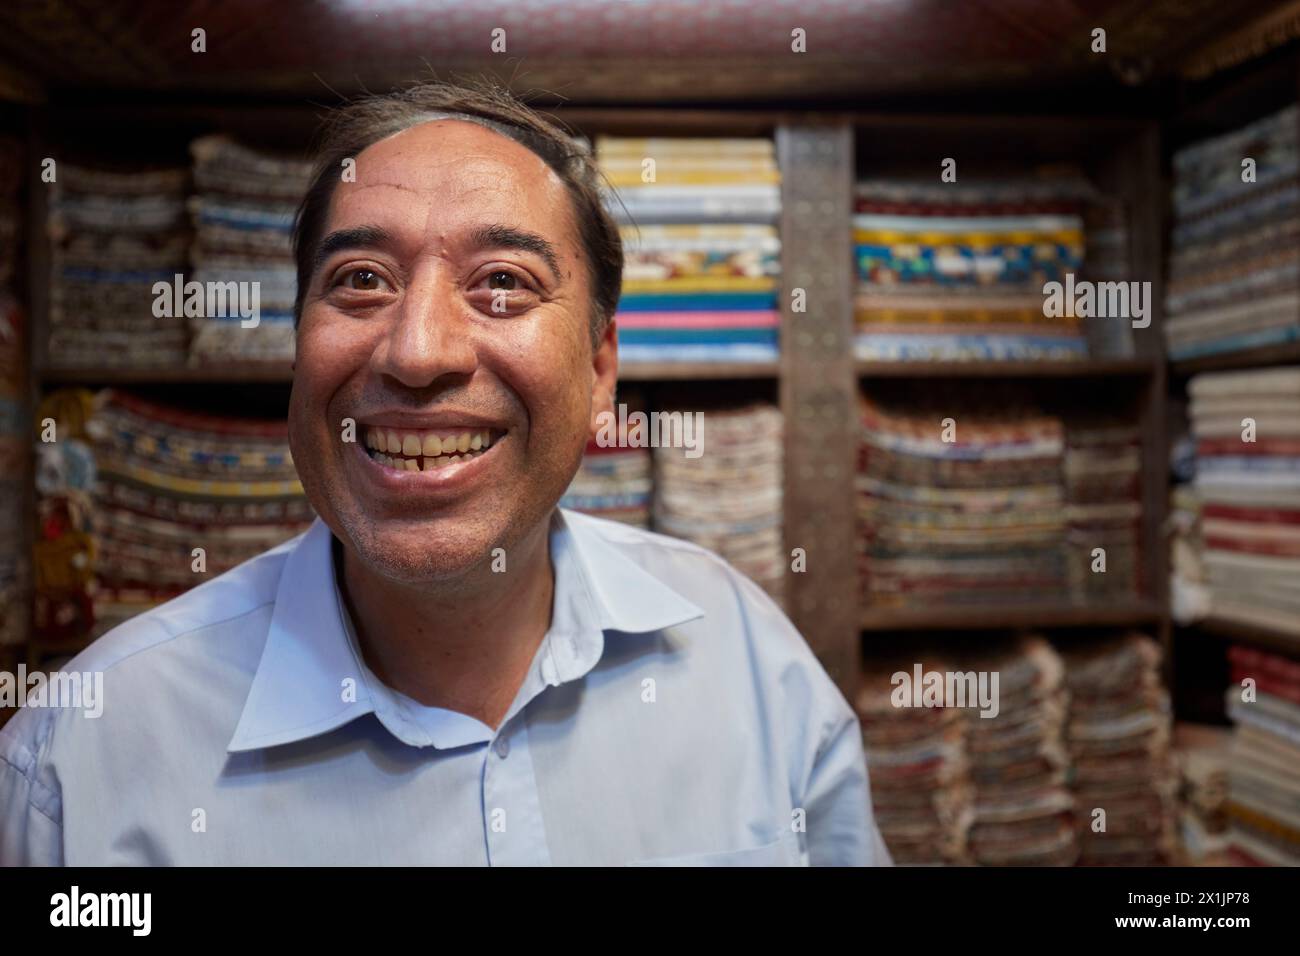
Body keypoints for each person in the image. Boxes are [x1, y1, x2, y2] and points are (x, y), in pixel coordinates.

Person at [0, 78, 891, 866]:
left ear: (599, 371)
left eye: (503, 282)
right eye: (360, 280)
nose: (418, 352)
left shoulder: (746, 663)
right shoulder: (82, 760)